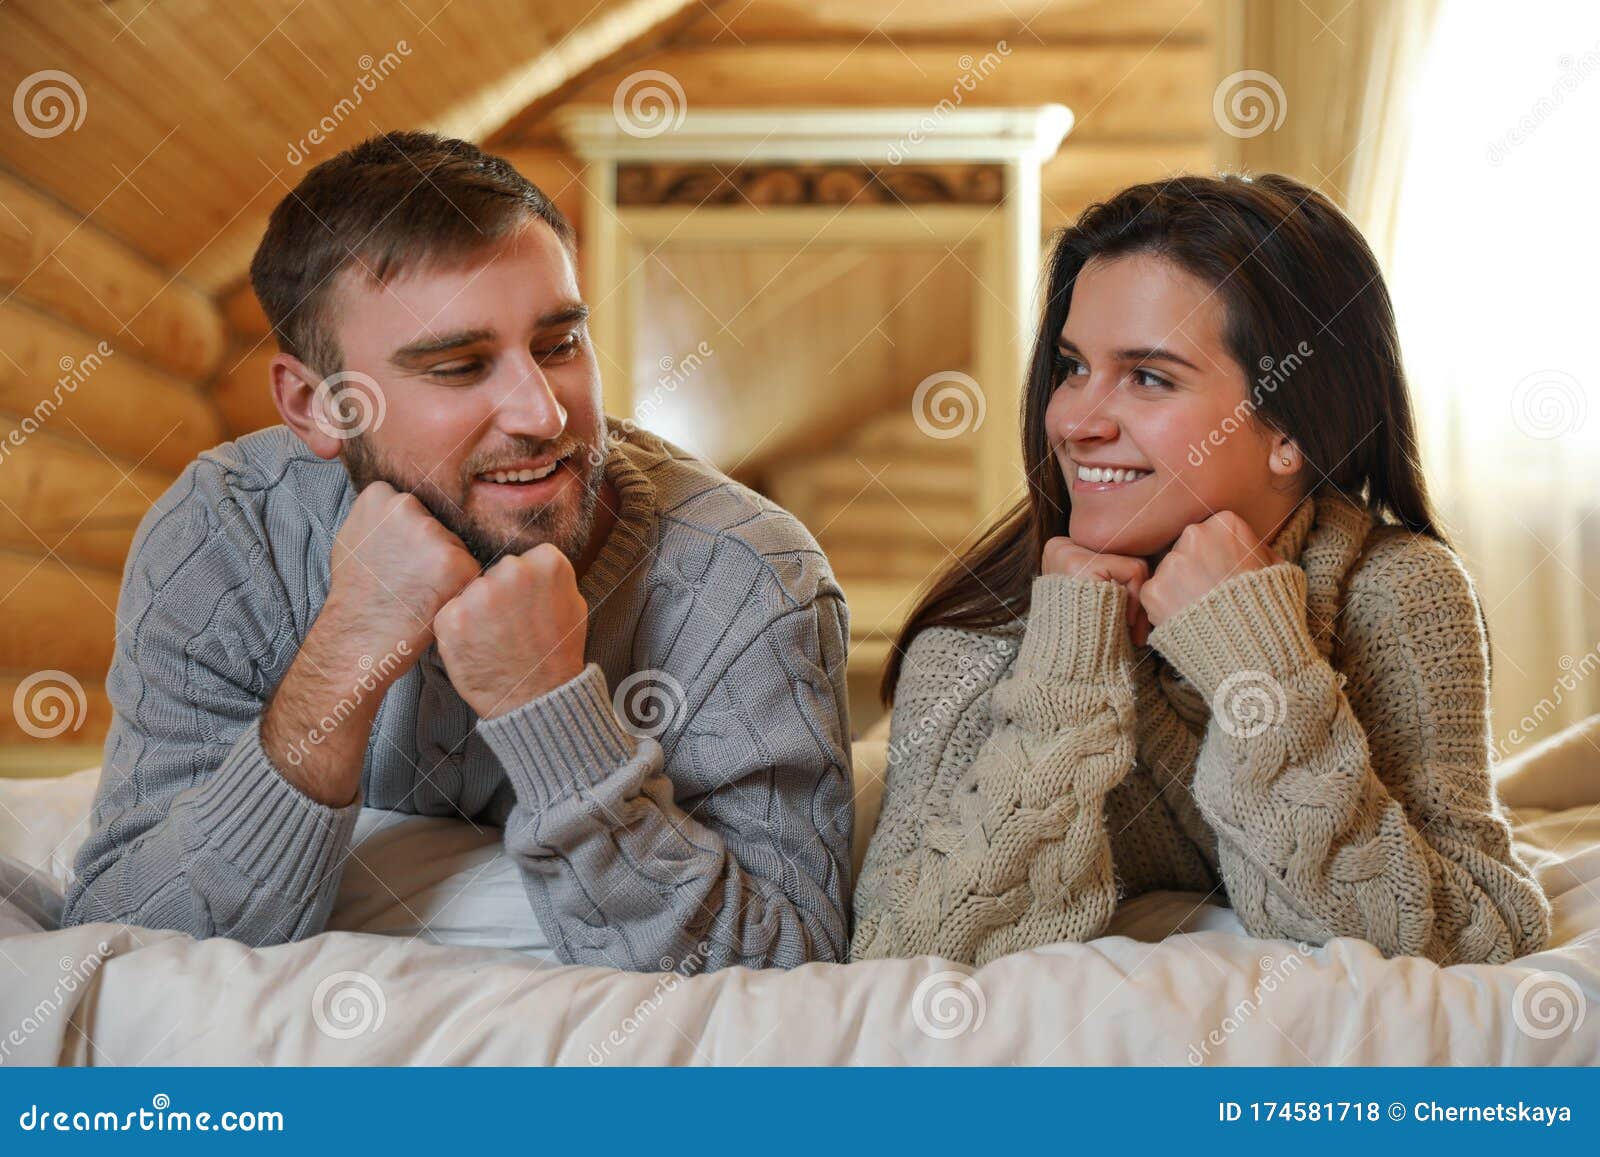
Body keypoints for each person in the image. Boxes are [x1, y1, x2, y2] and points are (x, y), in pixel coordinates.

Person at [62, 132, 854, 973]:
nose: (543, 415)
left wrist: (548, 712)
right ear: (316, 405)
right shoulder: (229, 531)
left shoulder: (751, 576)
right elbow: (124, 941)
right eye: (460, 366)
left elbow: (787, 978)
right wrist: (347, 654)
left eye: (559, 344)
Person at [851, 173, 1550, 968]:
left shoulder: (1398, 593)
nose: (1074, 421)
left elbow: (1474, 936)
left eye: (1149, 377)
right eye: (1073, 367)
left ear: (1290, 429)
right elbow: (901, 955)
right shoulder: (982, 631)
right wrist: (1066, 666)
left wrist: (1253, 652)